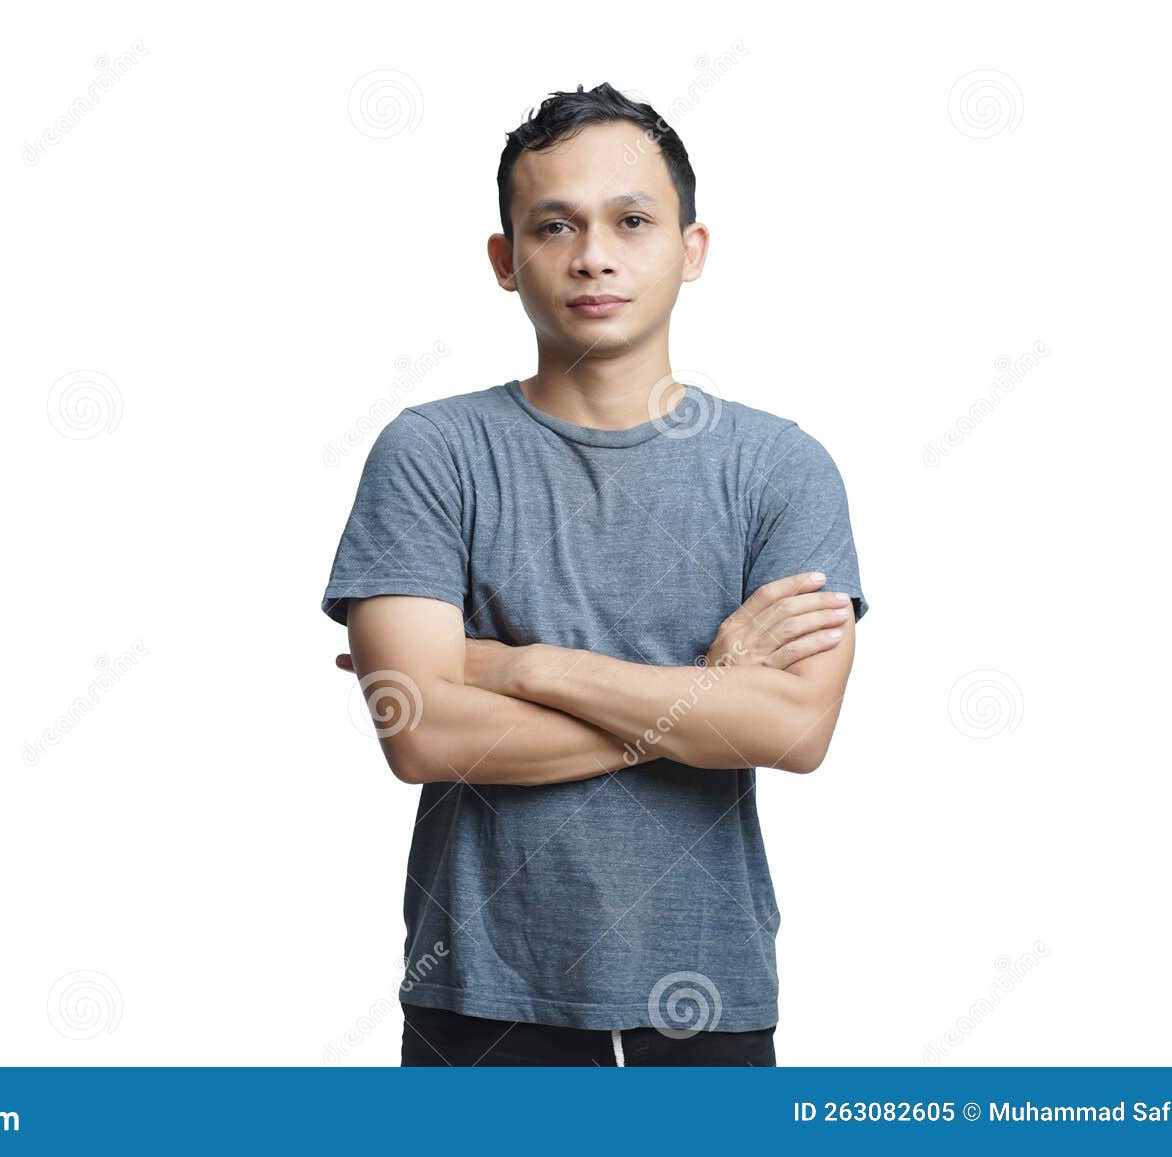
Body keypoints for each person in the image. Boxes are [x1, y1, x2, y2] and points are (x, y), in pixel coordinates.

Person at [321, 81, 867, 1067]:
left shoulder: (781, 468)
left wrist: (513, 667)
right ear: (505, 259)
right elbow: (422, 730)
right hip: (479, 999)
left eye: (631, 220)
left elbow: (794, 727)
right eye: (554, 225)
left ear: (691, 248)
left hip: (708, 995)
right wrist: (705, 694)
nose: (594, 255)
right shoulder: (430, 452)